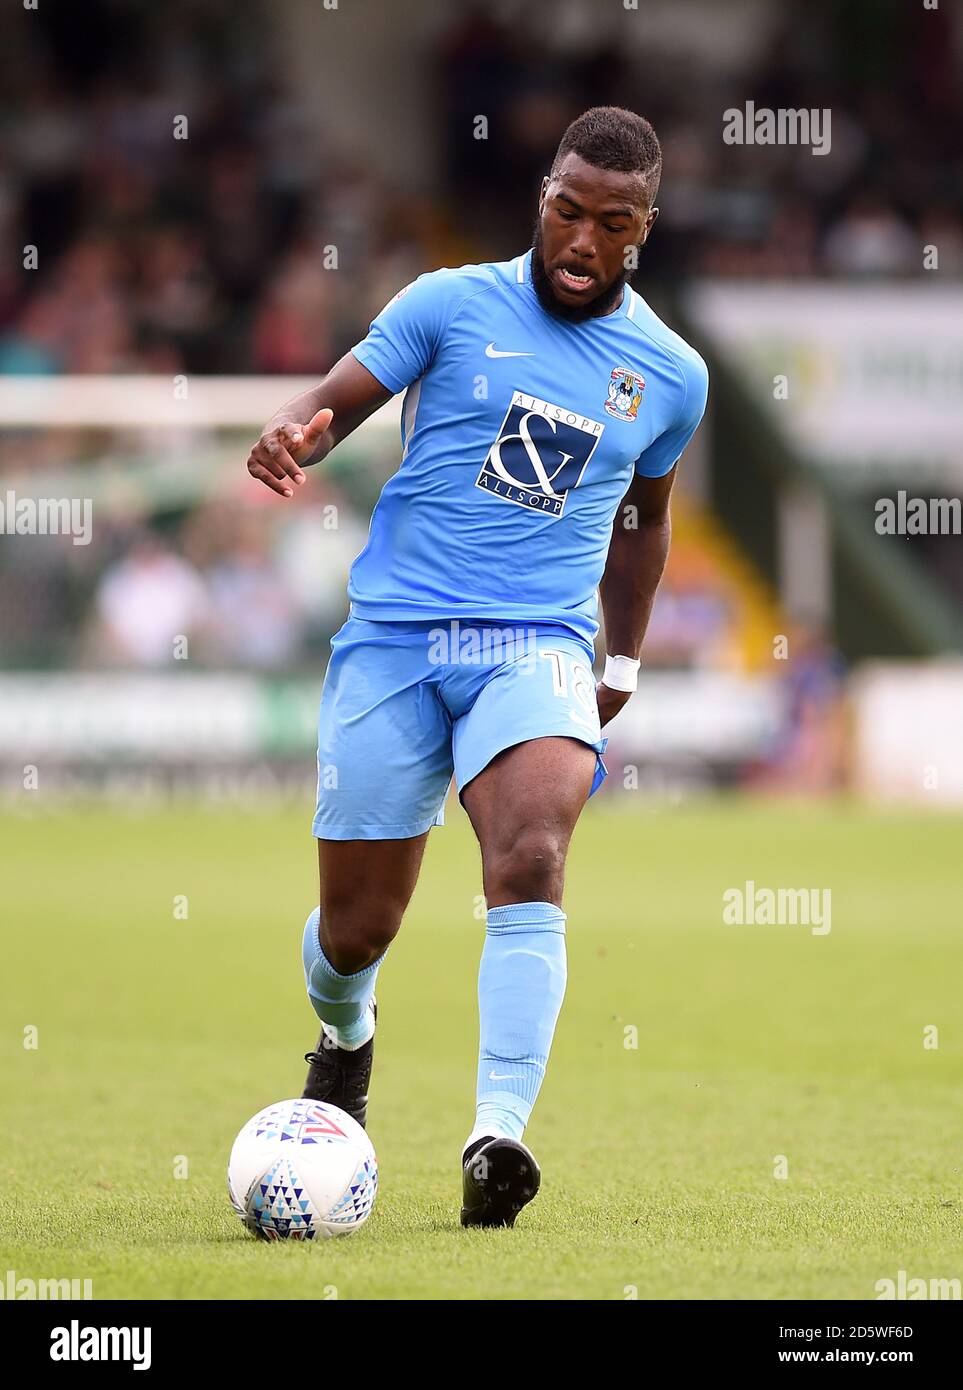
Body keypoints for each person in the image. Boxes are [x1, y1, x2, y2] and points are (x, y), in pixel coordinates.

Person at [245, 106, 708, 1228]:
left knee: (534, 852)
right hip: (397, 640)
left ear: (644, 229)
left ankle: (496, 1134)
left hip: (535, 644)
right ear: (541, 197)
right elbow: (335, 402)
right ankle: (345, 1034)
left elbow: (646, 524)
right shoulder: (448, 303)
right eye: (566, 211)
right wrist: (299, 430)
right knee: (357, 928)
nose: (582, 242)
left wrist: (626, 658)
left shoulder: (671, 374)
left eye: (613, 223)